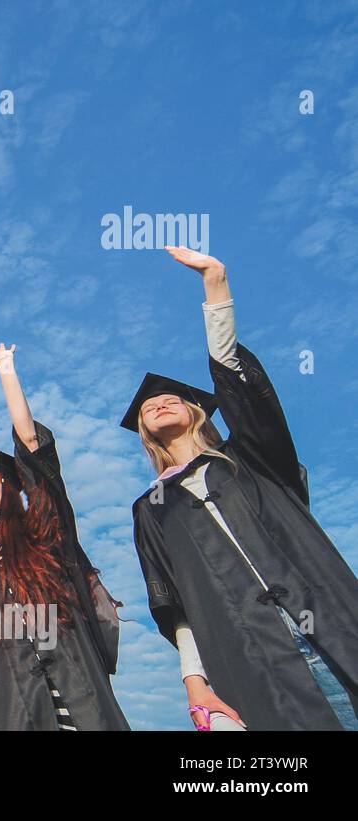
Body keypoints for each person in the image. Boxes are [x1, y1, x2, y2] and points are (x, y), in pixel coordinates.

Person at [126, 245, 358, 730]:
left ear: (201, 412)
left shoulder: (251, 459)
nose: (159, 402)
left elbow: (245, 397)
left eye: (171, 397)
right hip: (251, 661)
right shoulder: (152, 507)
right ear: (144, 433)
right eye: (150, 406)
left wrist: (215, 286)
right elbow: (173, 600)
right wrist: (195, 682)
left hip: (334, 629)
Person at [0, 343, 129, 730]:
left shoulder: (42, 540)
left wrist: (7, 371)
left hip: (77, 690)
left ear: (12, 488)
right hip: (8, 705)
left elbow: (35, 455)